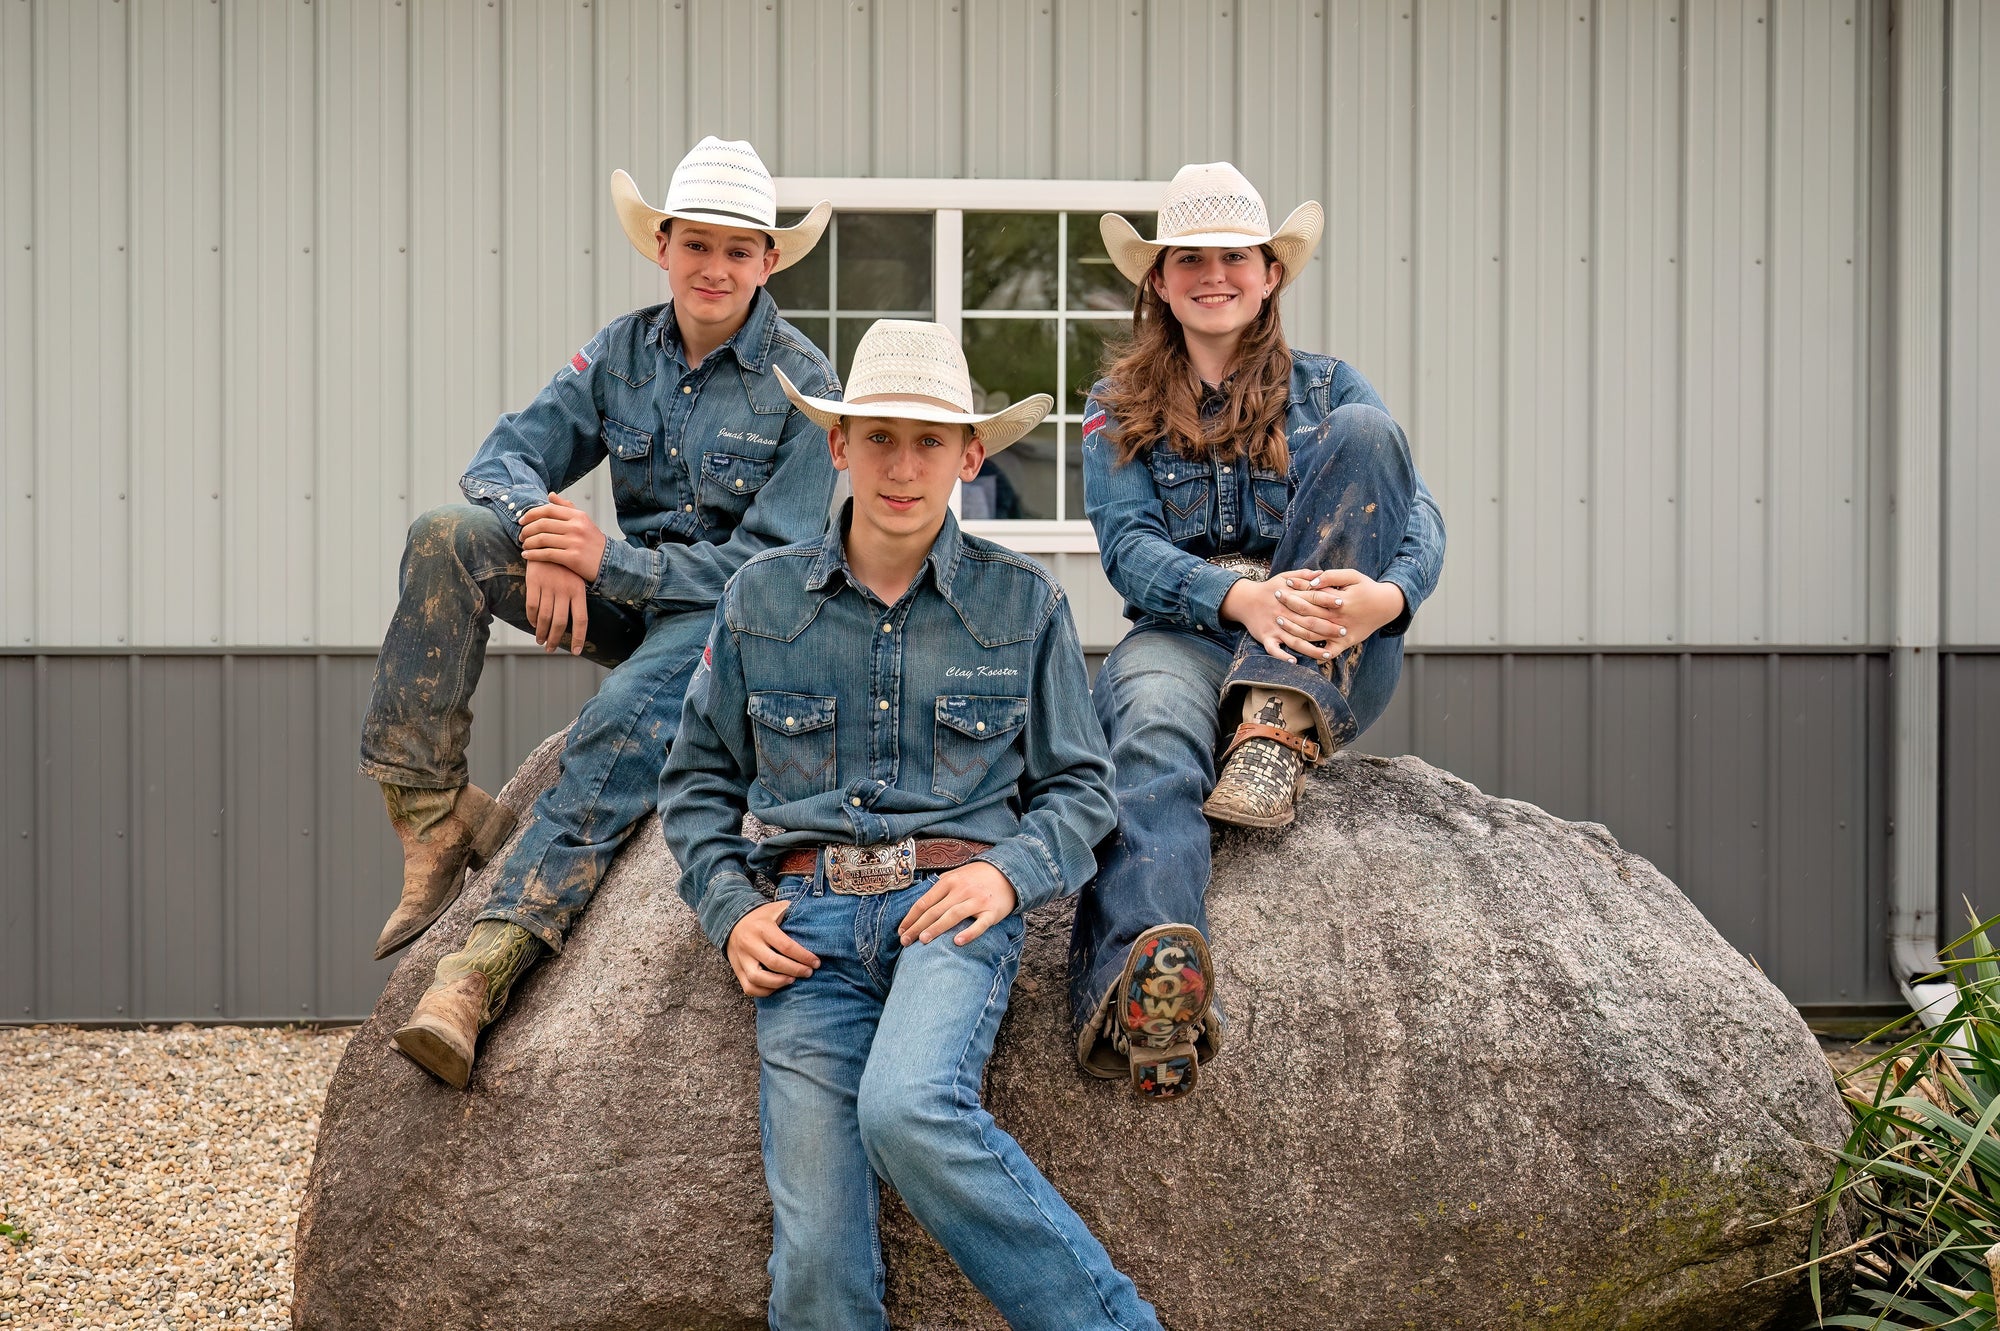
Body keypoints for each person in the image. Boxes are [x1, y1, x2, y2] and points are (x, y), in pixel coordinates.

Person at [660, 320, 1161, 1331]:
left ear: (969, 455)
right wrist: (729, 909)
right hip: (805, 928)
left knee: (906, 1107)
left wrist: (1006, 874)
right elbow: (697, 781)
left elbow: (1080, 787)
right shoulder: (757, 600)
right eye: (877, 437)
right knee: (812, 1255)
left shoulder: (1021, 602)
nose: (901, 464)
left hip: (951, 908)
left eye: (928, 441)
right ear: (837, 445)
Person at [367, 138, 840, 1089]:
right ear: (661, 244)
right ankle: (429, 811)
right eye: (694, 244)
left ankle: (480, 968)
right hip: (625, 597)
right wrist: (548, 535)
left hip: (735, 623)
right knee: (444, 535)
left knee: (621, 721)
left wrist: (607, 559)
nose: (714, 267)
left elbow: (766, 568)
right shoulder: (622, 351)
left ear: (770, 260)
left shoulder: (805, 383)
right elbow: (502, 457)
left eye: (737, 249)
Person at [1070, 161, 1446, 1099]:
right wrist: (1241, 600)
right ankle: (1145, 985)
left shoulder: (1329, 386)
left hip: (1324, 644)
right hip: (1186, 632)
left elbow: (1420, 517)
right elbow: (1127, 547)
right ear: (1158, 280)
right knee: (1150, 730)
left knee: (1370, 434)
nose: (1213, 274)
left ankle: (1277, 723)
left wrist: (1387, 600)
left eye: (1234, 255)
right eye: (1188, 258)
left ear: (1270, 271)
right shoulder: (1113, 405)